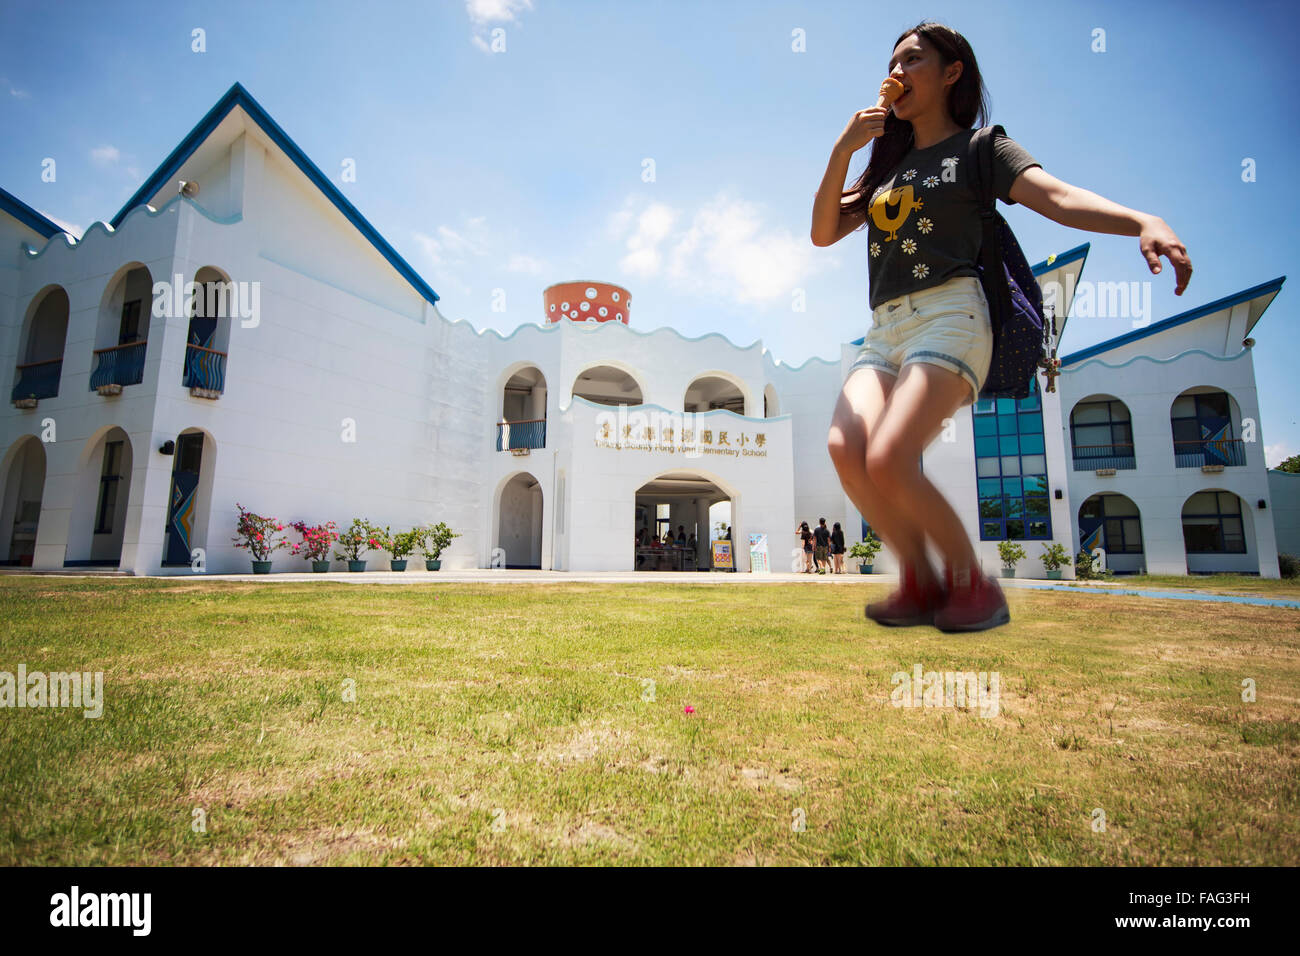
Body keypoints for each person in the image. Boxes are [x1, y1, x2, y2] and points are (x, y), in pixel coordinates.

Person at [815, 21, 1191, 631]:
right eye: (893, 63)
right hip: (884, 330)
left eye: (914, 60)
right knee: (845, 448)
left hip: (951, 315)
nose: (898, 73)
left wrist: (1142, 220)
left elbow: (1058, 198)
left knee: (888, 457)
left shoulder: (981, 149)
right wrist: (844, 148)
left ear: (951, 72)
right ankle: (919, 578)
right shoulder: (888, 166)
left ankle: (972, 584)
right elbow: (824, 230)